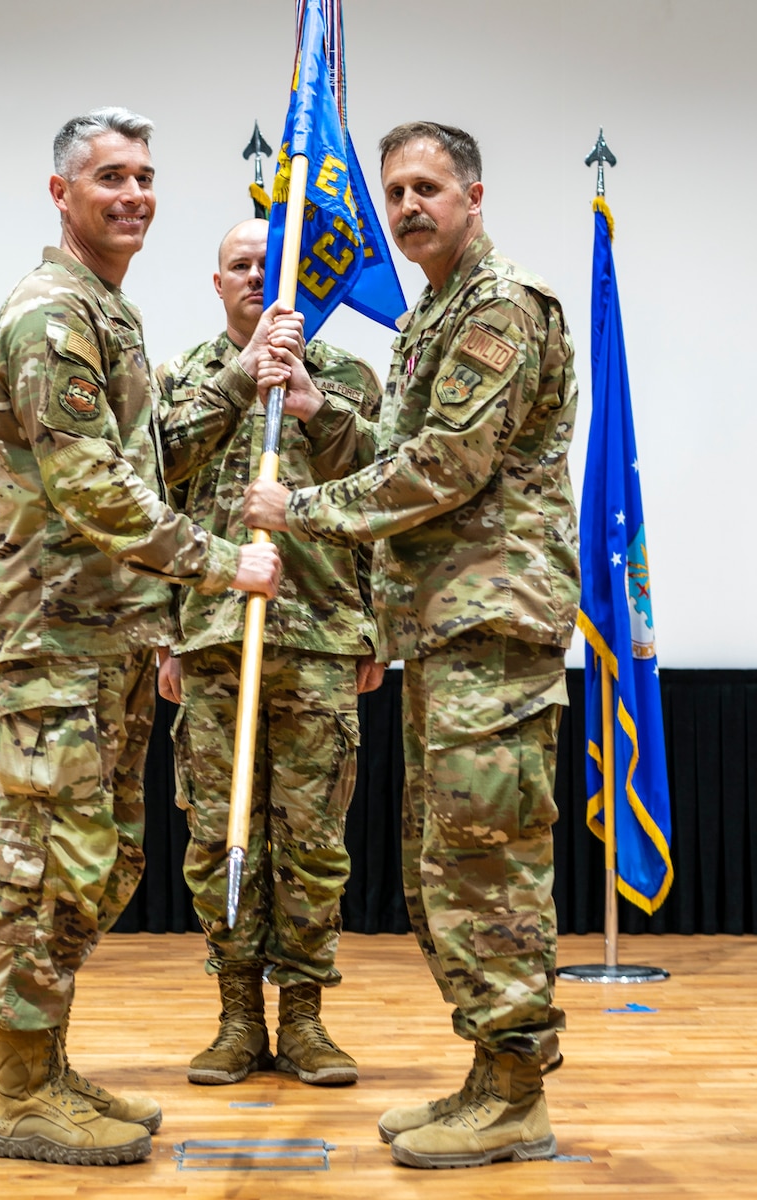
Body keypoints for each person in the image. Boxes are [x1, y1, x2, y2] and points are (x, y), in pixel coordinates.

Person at [242, 122, 579, 1168]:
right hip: (443, 626)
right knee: (443, 866)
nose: (405, 208)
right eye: (394, 191)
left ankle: (519, 1089)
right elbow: (397, 451)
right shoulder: (434, 313)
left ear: (474, 196)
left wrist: (300, 504)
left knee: (491, 862)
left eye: (427, 187)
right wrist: (319, 414)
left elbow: (445, 466)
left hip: (494, 624)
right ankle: (487, 1074)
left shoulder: (502, 306)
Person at [0, 108, 281, 1168]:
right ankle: (18, 1092)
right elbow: (93, 488)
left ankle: (48, 1064)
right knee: (47, 858)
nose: (135, 194)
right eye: (111, 177)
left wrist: (244, 375)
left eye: (145, 175)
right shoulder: (52, 317)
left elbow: (147, 458)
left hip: (104, 634)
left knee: (97, 860)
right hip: (56, 631)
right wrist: (217, 562)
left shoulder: (110, 312)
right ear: (62, 193)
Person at [154, 217, 384, 1088]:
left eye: (268, 263)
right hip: (214, 638)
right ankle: (238, 1017)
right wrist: (164, 635)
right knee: (219, 838)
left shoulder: (350, 379)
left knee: (315, 841)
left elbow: (385, 492)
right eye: (239, 265)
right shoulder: (182, 378)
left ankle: (308, 1020)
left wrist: (378, 626)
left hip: (322, 638)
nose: (256, 277)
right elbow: (149, 493)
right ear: (217, 283)